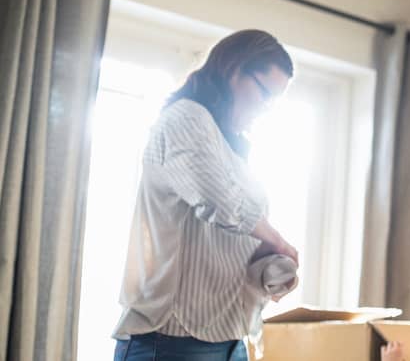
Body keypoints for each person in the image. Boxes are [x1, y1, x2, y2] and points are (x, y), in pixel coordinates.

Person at [113, 30, 300, 361]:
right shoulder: (186, 117)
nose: (267, 107)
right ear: (234, 69)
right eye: (265, 92)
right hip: (172, 340)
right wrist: (277, 239)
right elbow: (223, 204)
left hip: (230, 340)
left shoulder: (235, 152)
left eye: (276, 100)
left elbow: (241, 241)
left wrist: (274, 268)